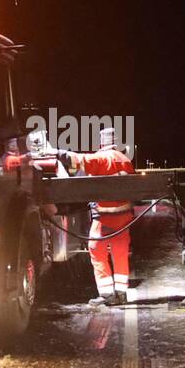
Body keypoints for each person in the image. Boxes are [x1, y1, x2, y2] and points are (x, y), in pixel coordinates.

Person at [54, 128, 134, 306]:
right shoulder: (125, 160)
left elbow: (78, 160)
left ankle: (106, 294)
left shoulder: (102, 158)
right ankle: (121, 293)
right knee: (120, 252)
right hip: (125, 217)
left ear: (102, 144)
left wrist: (56, 153)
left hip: (104, 217)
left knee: (96, 250)